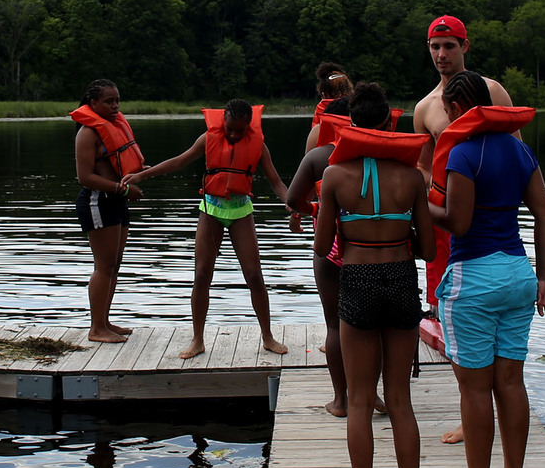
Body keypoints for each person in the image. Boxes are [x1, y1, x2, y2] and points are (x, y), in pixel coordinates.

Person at [425, 69, 545, 468]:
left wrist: (420, 203)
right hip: (519, 274)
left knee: (476, 389)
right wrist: (544, 277)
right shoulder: (520, 150)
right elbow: (544, 214)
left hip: (474, 279)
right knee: (511, 382)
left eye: (448, 111)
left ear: (456, 109)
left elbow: (457, 223)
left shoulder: (462, 153)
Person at [313, 82, 431, 468]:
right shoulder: (412, 177)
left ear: (349, 124)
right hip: (401, 279)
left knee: (360, 401)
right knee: (400, 400)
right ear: (387, 122)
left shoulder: (335, 176)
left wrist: (353, 231)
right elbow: (428, 249)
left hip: (358, 280)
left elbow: (323, 246)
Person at [412, 14, 514, 444]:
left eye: (449, 46)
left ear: (465, 46)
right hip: (445, 224)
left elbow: (516, 150)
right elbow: (422, 167)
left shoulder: (493, 92)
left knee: (496, 324)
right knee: (452, 323)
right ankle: (469, 411)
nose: (442, 55)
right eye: (435, 47)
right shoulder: (425, 108)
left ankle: (498, 408)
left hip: (491, 222)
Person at [125, 99, 290, 360]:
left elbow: (277, 182)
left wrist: (291, 203)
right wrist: (142, 176)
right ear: (223, 121)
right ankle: (198, 340)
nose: (234, 135)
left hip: (240, 210)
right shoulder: (208, 138)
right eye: (230, 129)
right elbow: (179, 162)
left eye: (240, 131)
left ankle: (268, 337)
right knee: (202, 274)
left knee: (254, 276)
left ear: (249, 126)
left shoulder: (259, 145)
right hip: (211, 209)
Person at [284, 94, 354, 415]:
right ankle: (371, 394)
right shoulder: (374, 156)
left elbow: (293, 200)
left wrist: (314, 208)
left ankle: (341, 400)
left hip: (330, 248)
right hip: (365, 247)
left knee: (335, 325)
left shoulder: (318, 156)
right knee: (368, 325)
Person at [70, 79, 144, 344]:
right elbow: (84, 177)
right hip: (97, 201)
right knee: (104, 266)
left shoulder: (115, 127)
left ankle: (105, 320)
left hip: (116, 200)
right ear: (93, 104)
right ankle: (96, 328)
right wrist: (122, 189)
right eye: (109, 101)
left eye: (117, 101)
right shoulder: (87, 133)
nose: (115, 106)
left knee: (115, 263)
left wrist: (137, 176)